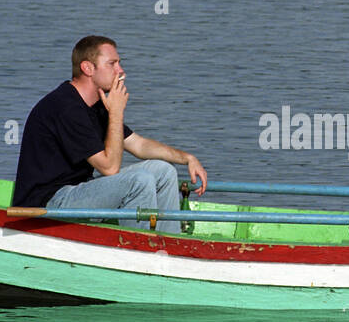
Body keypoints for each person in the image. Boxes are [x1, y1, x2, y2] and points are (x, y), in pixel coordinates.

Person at [11, 36, 207, 234]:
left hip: (78, 190)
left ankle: (169, 242)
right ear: (88, 68)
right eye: (112, 64)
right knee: (139, 181)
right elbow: (110, 168)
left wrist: (187, 158)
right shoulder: (66, 107)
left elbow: (138, 145)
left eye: (120, 64)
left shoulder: (95, 107)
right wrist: (116, 112)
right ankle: (139, 249)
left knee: (163, 171)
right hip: (47, 203)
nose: (121, 72)